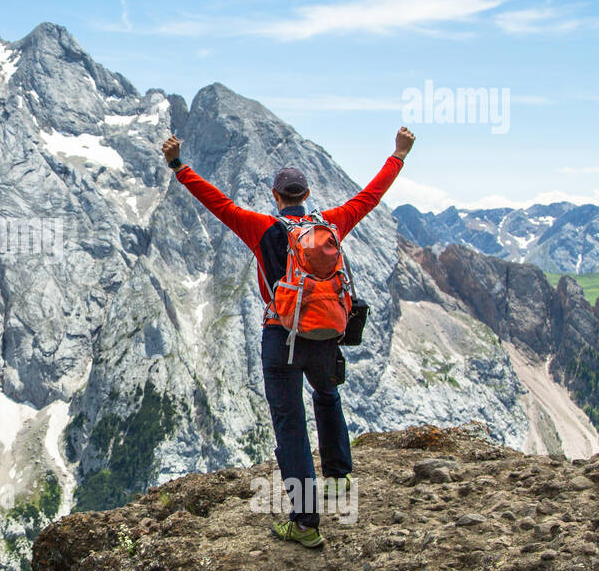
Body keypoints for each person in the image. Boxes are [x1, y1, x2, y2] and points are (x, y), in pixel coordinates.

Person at [161, 127, 416, 548]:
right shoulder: (330, 225)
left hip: (280, 336)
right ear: (307, 194)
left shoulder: (261, 228)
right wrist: (398, 155)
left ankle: (304, 522)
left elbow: (216, 202)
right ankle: (338, 480)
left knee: (289, 424)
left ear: (276, 196)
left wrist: (178, 166)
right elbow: (370, 197)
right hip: (324, 333)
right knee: (327, 395)